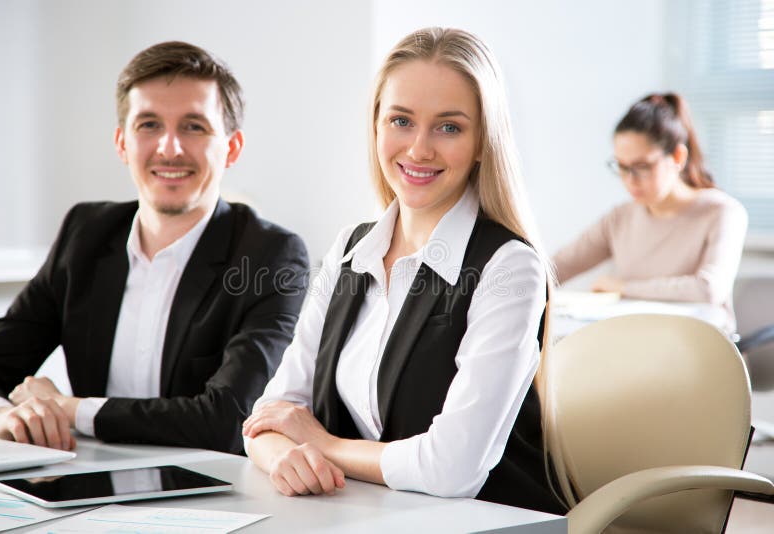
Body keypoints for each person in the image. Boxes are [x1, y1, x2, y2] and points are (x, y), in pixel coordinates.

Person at [241, 27, 565, 514]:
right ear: (376, 126)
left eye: (449, 127)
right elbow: (268, 417)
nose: (418, 149)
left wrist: (322, 445)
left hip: (488, 521)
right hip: (365, 516)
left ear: (483, 142)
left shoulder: (510, 266)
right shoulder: (351, 249)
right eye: (401, 121)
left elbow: (451, 469)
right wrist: (284, 456)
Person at [0, 41, 309, 454]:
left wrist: (69, 409)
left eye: (194, 126)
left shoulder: (270, 255)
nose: (169, 148)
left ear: (232, 148)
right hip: (86, 476)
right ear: (122, 143)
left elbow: (230, 417)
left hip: (212, 484)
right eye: (149, 125)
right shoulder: (85, 235)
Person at [553, 93, 747, 333]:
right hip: (638, 342)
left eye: (642, 167)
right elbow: (557, 267)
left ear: (678, 157)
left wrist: (623, 287)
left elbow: (708, 290)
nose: (630, 180)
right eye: (622, 167)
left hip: (699, 345)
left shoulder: (722, 212)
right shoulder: (620, 218)